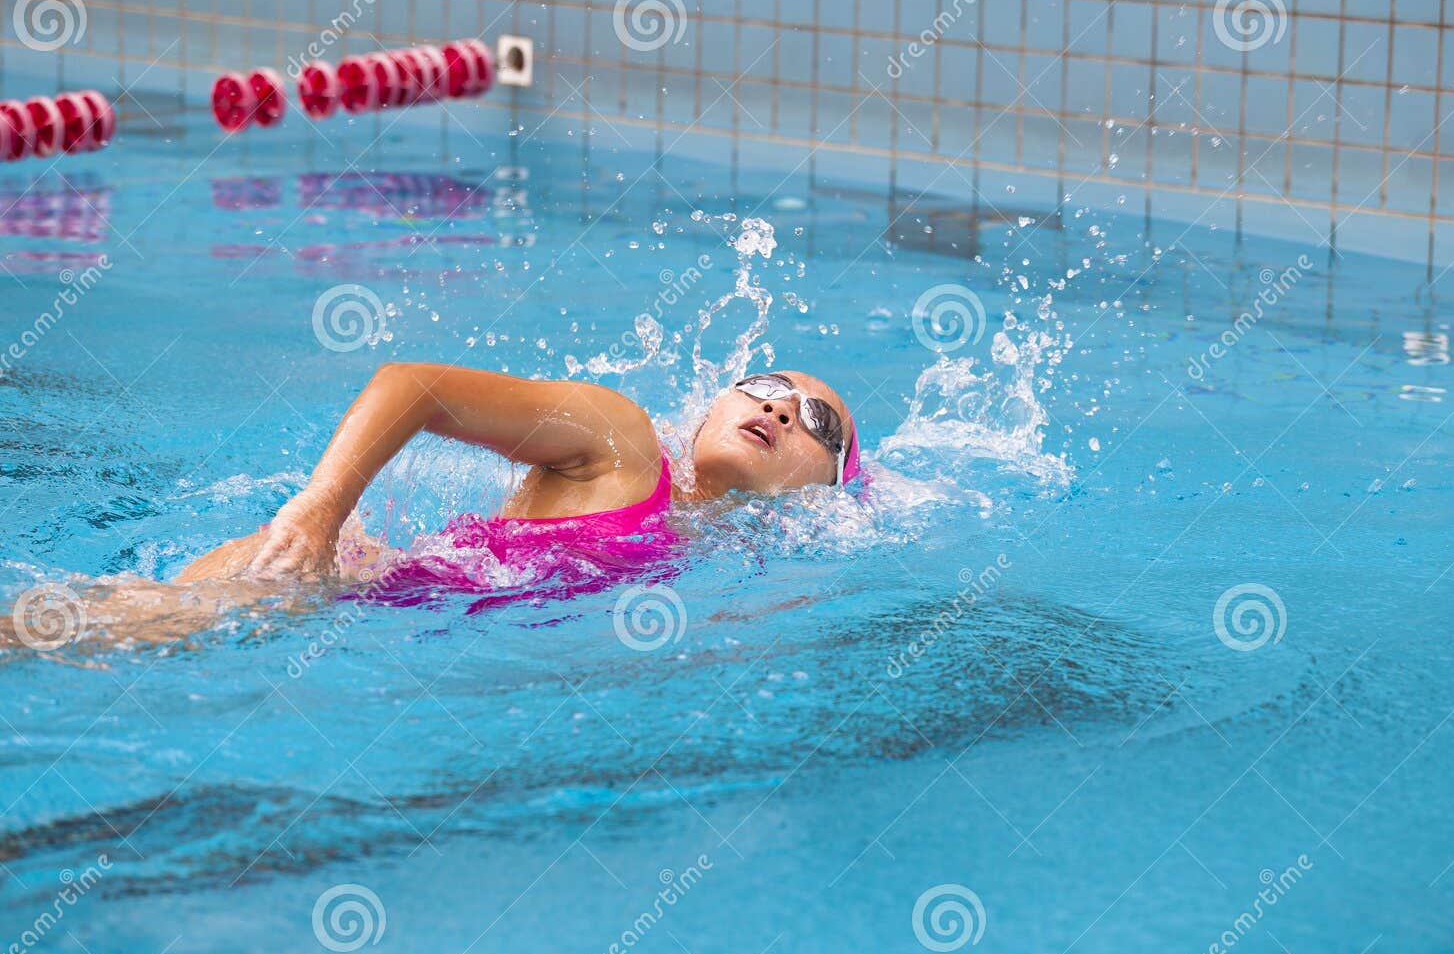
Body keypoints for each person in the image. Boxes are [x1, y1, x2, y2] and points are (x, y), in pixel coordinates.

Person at [4, 364, 860, 651]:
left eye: (815, 421)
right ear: (711, 403)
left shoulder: (720, 567)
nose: (783, 409)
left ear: (818, 492)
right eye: (770, 386)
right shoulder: (623, 442)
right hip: (311, 577)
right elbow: (413, 385)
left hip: (338, 617)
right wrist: (319, 510)